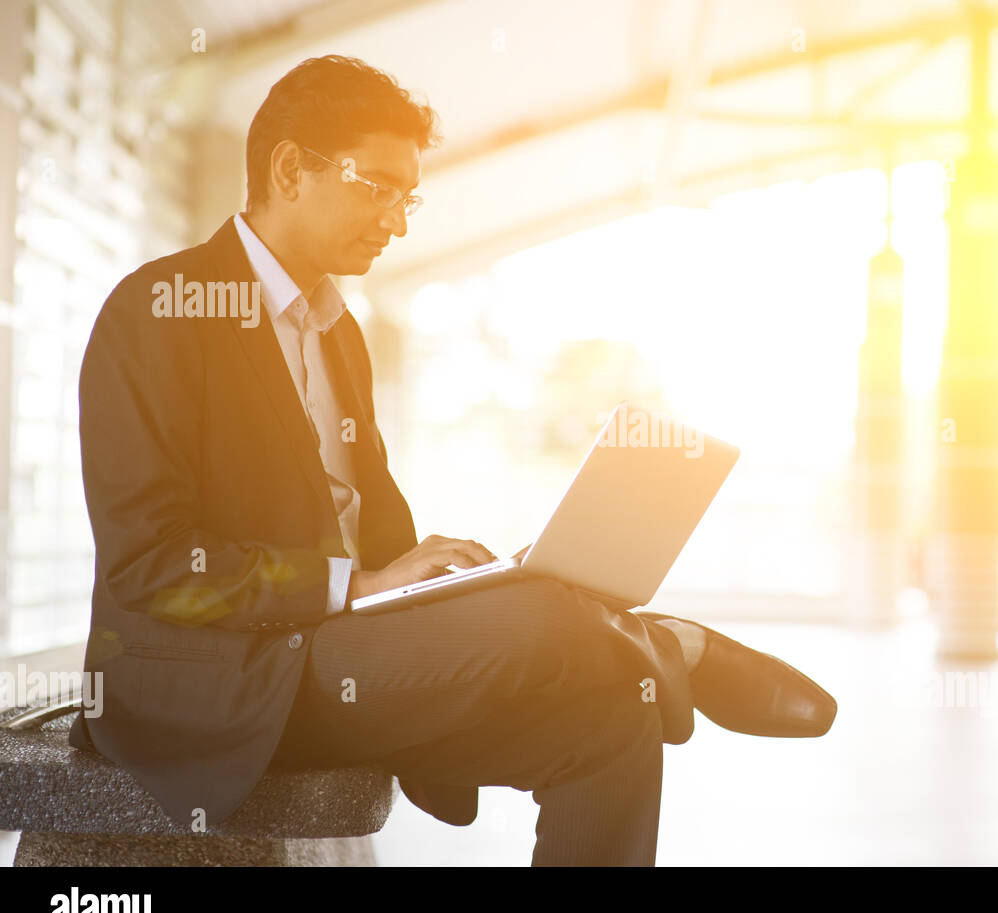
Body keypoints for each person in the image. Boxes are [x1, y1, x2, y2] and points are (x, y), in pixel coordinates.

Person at [70, 54, 836, 866]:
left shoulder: (338, 332)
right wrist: (357, 587)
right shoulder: (161, 309)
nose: (398, 220)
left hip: (334, 656)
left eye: (409, 196)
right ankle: (671, 644)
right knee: (543, 615)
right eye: (378, 187)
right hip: (217, 679)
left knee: (613, 720)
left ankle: (635, 643)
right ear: (290, 169)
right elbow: (150, 563)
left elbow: (360, 533)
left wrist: (444, 583)